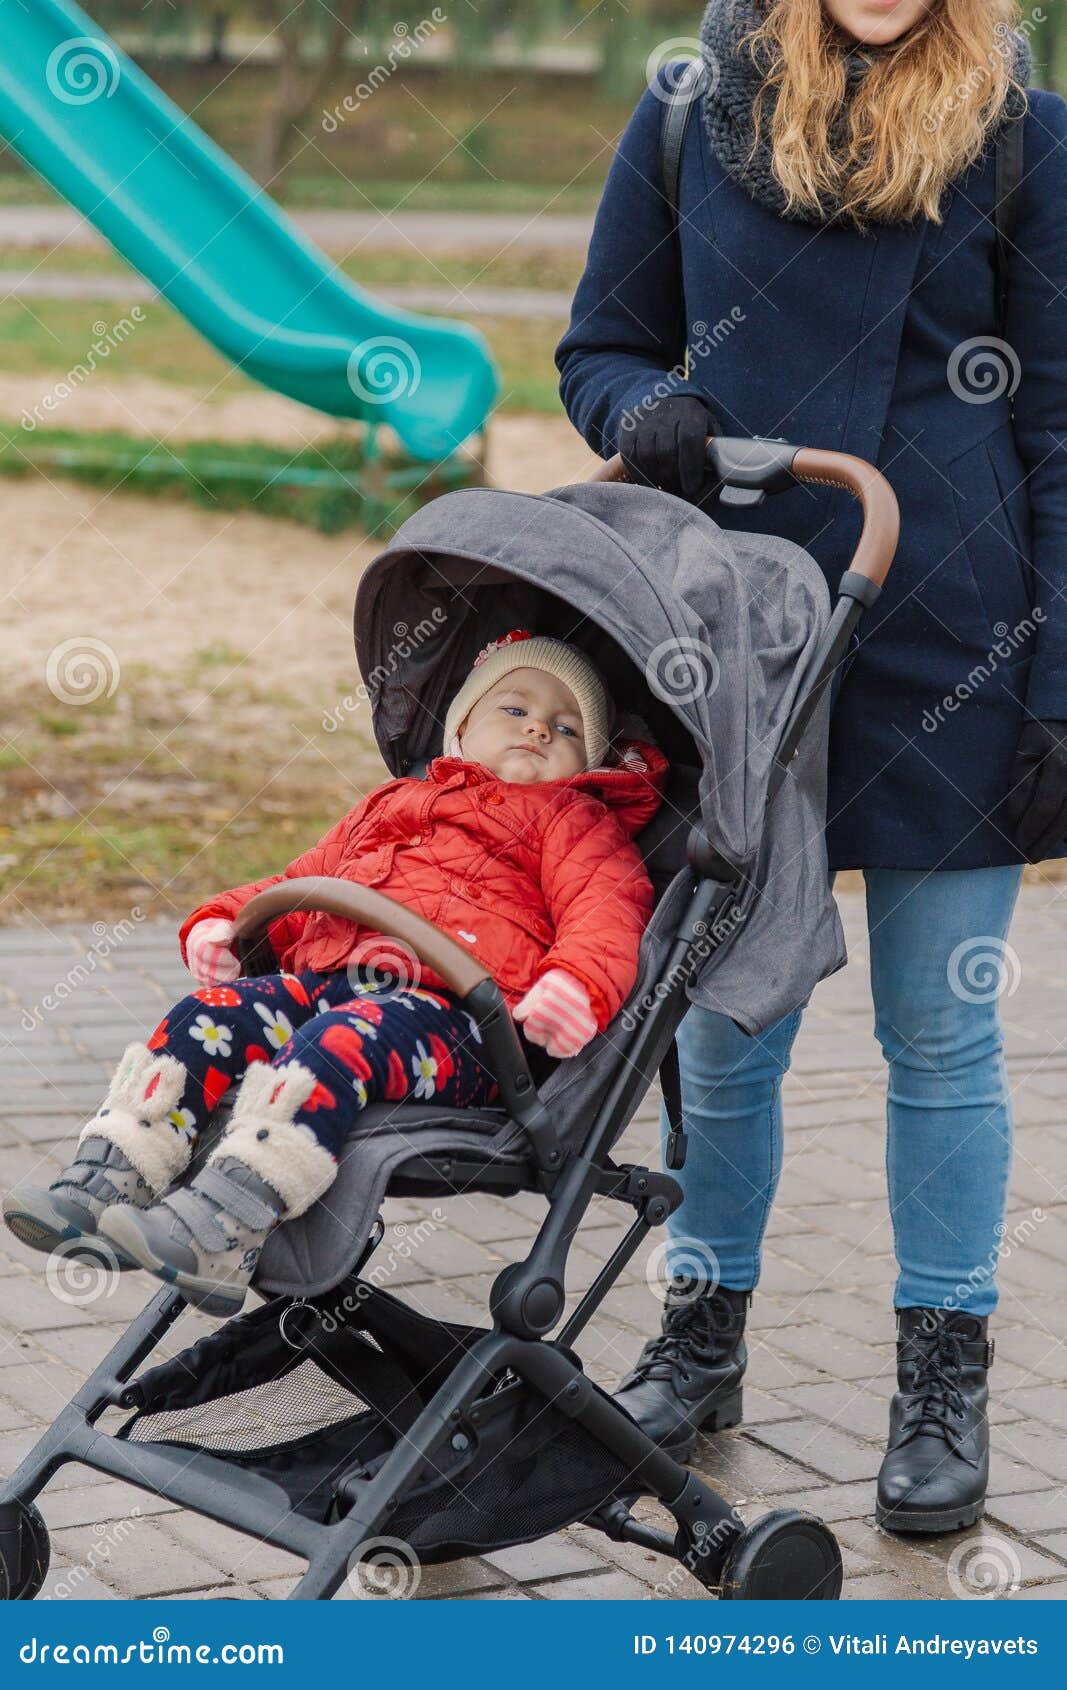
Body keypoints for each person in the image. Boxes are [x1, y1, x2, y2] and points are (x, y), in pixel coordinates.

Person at [555, 0, 1067, 1534]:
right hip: (733, 639)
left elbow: (1056, 415)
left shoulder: (1020, 137)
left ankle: (938, 1368)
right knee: (720, 1025)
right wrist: (647, 413)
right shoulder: (679, 112)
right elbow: (599, 347)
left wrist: (1055, 677)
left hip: (951, 633)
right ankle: (699, 1338)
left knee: (941, 1036)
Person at [4, 633, 666, 1317]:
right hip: (334, 984)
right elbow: (306, 879)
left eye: (564, 727)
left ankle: (221, 1231)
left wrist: (576, 986)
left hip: (460, 1022)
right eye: (514, 708)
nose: (536, 728)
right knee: (209, 1016)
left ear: (586, 760)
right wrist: (230, 920)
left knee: (336, 1045)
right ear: (461, 728)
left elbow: (606, 916)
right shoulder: (395, 803)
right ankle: (110, 1179)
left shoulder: (576, 823)